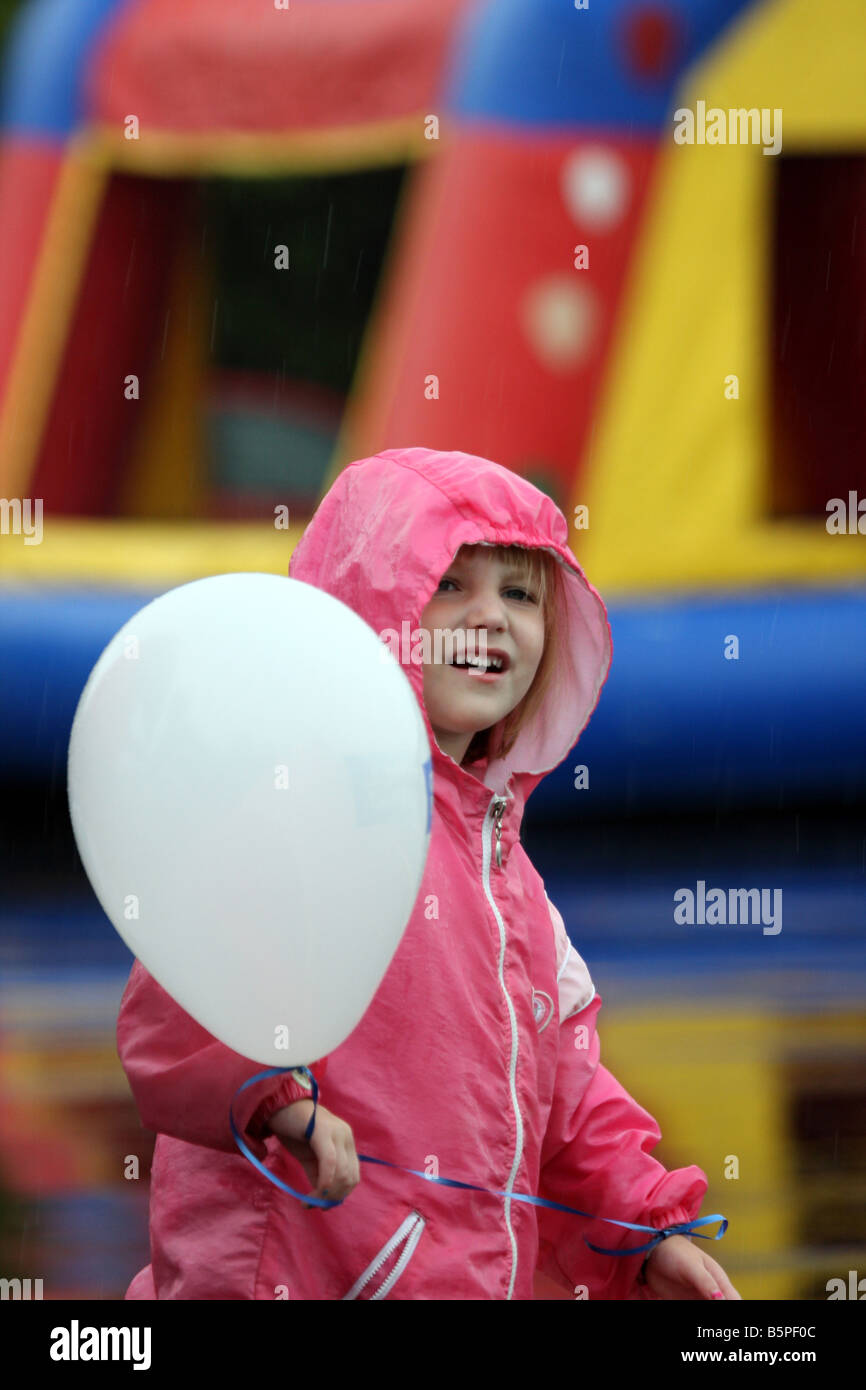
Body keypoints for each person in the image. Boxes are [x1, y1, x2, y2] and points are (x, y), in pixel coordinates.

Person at [118, 446, 740, 1300]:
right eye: (451, 585)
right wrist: (275, 1101)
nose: (491, 617)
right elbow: (183, 994)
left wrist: (643, 1225)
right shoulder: (299, 817)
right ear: (370, 608)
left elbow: (565, 1088)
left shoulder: (507, 873)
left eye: (520, 594)